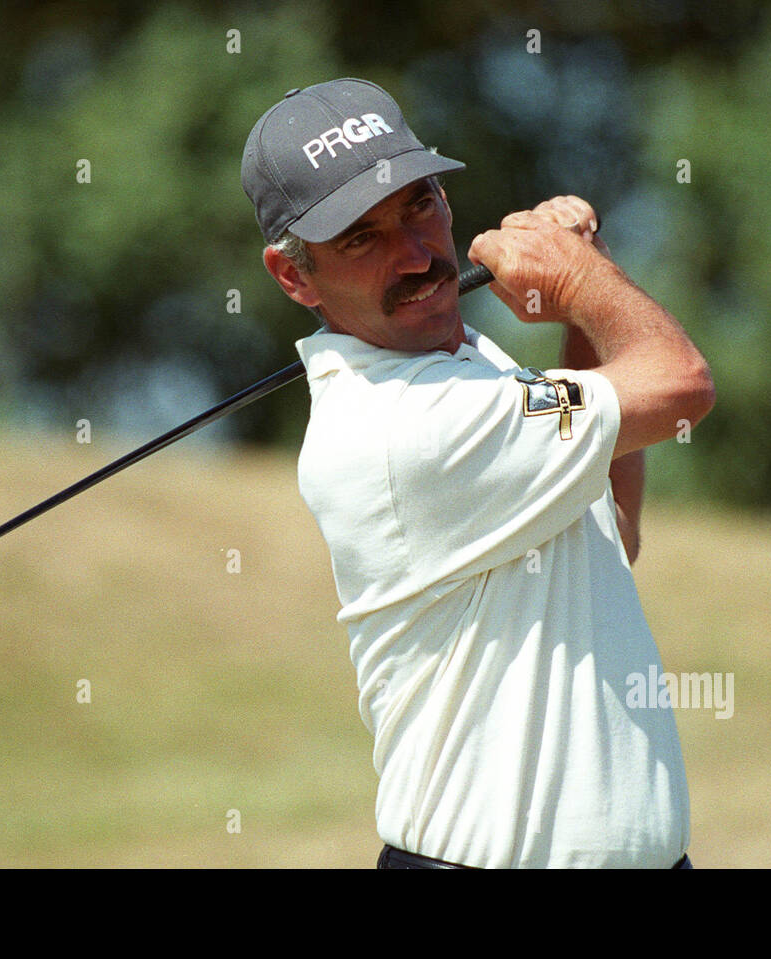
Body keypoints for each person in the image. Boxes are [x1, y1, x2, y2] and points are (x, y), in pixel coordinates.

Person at [242, 77, 714, 868]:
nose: (417, 254)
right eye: (362, 237)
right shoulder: (407, 429)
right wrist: (577, 281)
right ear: (295, 276)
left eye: (419, 205)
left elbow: (614, 528)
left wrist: (582, 284)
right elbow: (681, 386)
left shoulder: (469, 370)